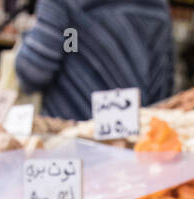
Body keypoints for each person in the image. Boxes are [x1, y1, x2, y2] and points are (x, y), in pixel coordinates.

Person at [13, 0, 175, 120]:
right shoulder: (157, 5)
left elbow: (34, 71)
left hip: (71, 139)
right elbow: (165, 79)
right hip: (133, 137)